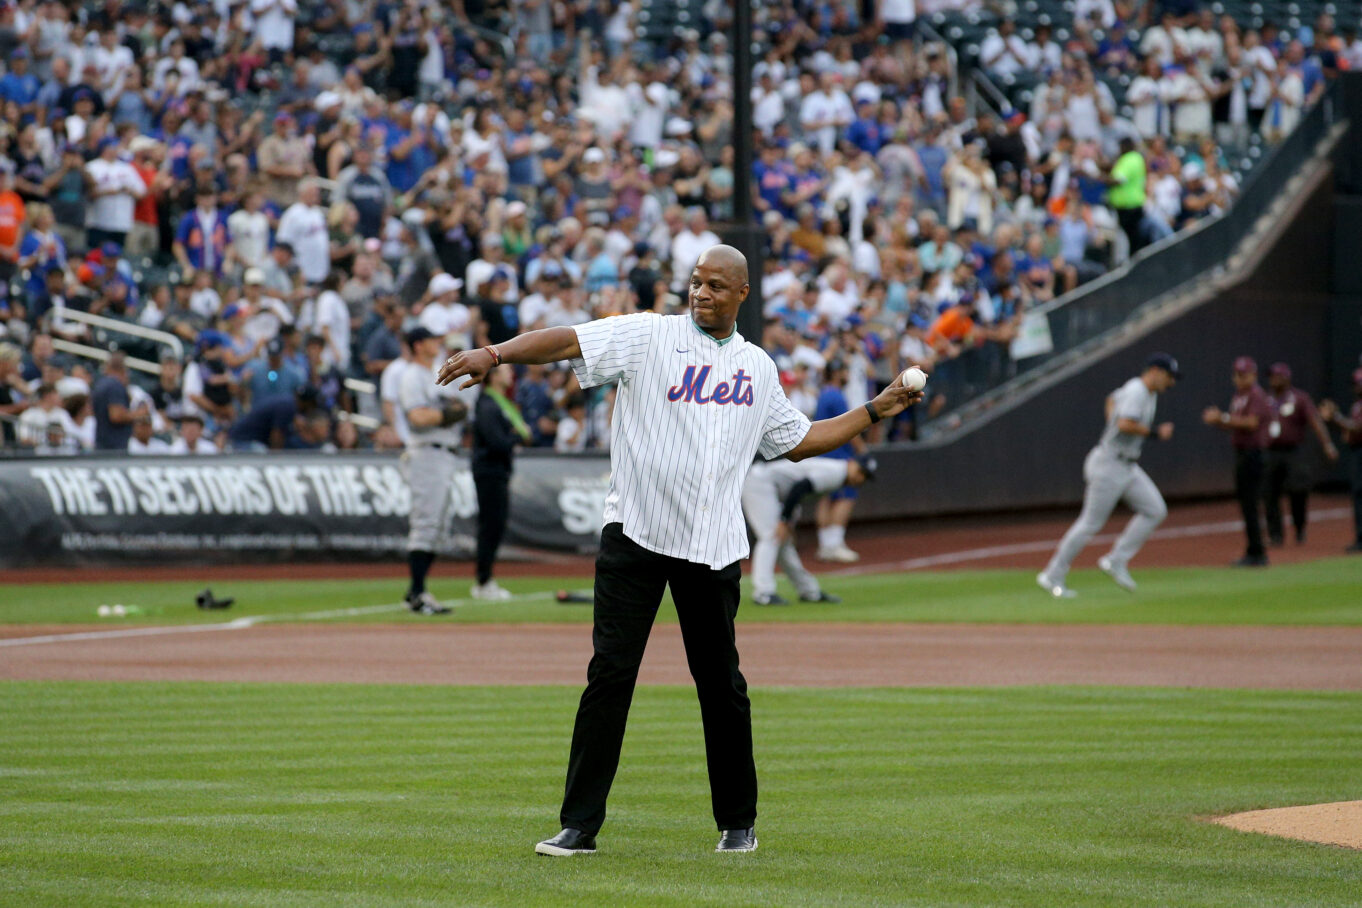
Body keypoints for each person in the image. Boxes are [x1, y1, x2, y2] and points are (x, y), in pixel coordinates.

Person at [436, 245, 922, 856]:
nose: (701, 293)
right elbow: (568, 342)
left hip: (713, 546)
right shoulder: (649, 336)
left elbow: (798, 441)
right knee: (609, 677)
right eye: (696, 282)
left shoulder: (757, 367)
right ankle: (579, 826)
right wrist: (495, 353)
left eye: (716, 285)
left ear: (742, 293)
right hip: (635, 534)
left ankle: (738, 825)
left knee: (721, 685)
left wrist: (876, 409)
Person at [1038, 354, 1180, 597]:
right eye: (1168, 376)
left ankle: (1116, 559)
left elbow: (1111, 400)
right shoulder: (1137, 390)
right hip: (1109, 464)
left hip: (1126, 464)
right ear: (1155, 370)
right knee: (1090, 524)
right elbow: (1125, 423)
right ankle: (1052, 574)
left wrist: (1111, 422)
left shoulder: (1142, 391)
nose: (1171, 383)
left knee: (1155, 510)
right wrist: (1155, 433)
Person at [741, 455, 873, 605]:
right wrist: (784, 520)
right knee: (771, 536)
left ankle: (809, 591)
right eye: (860, 472)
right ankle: (763, 593)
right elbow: (800, 487)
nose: (861, 478)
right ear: (851, 463)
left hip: (774, 489)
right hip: (760, 482)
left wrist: (788, 520)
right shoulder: (837, 472)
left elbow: (797, 489)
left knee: (783, 542)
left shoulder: (839, 473)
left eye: (865, 476)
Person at [399, 327, 468, 615]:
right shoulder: (411, 375)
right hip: (426, 452)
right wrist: (445, 415)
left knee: (437, 526)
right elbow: (417, 416)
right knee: (426, 523)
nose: (435, 344)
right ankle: (417, 593)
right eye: (430, 340)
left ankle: (415, 591)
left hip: (445, 453)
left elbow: (458, 405)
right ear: (418, 345)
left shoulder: (433, 372)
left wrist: (450, 411)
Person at [1202, 356, 1273, 566]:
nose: (1240, 379)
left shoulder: (1256, 395)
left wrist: (1222, 418)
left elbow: (1251, 423)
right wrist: (1219, 420)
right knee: (1246, 504)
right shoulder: (1239, 396)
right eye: (1237, 375)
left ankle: (1257, 553)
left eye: (1244, 374)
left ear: (1254, 375)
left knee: (1251, 503)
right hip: (1242, 453)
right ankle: (1253, 550)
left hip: (1254, 453)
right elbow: (1235, 423)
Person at [470, 364, 531, 600]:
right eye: (506, 370)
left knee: (494, 525)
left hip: (496, 470)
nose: (511, 374)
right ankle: (483, 581)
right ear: (493, 376)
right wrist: (517, 435)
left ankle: (485, 579)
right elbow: (497, 442)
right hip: (489, 470)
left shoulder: (498, 403)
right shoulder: (488, 404)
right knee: (490, 526)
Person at [1262, 362, 1338, 545]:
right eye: (1271, 376)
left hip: (1293, 451)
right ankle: (1275, 535)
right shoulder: (1266, 399)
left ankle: (1300, 527)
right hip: (1271, 451)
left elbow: (1315, 422)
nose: (1273, 379)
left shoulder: (1299, 398)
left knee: (1298, 490)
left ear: (1286, 377)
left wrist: (1327, 444)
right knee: (1269, 493)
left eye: (1277, 376)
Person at [1319, 367, 1362, 553]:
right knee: (1358, 494)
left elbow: (1357, 429)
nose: (1355, 388)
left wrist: (1335, 417)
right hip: (1356, 451)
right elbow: (1350, 430)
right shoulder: (1357, 405)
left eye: (1357, 384)